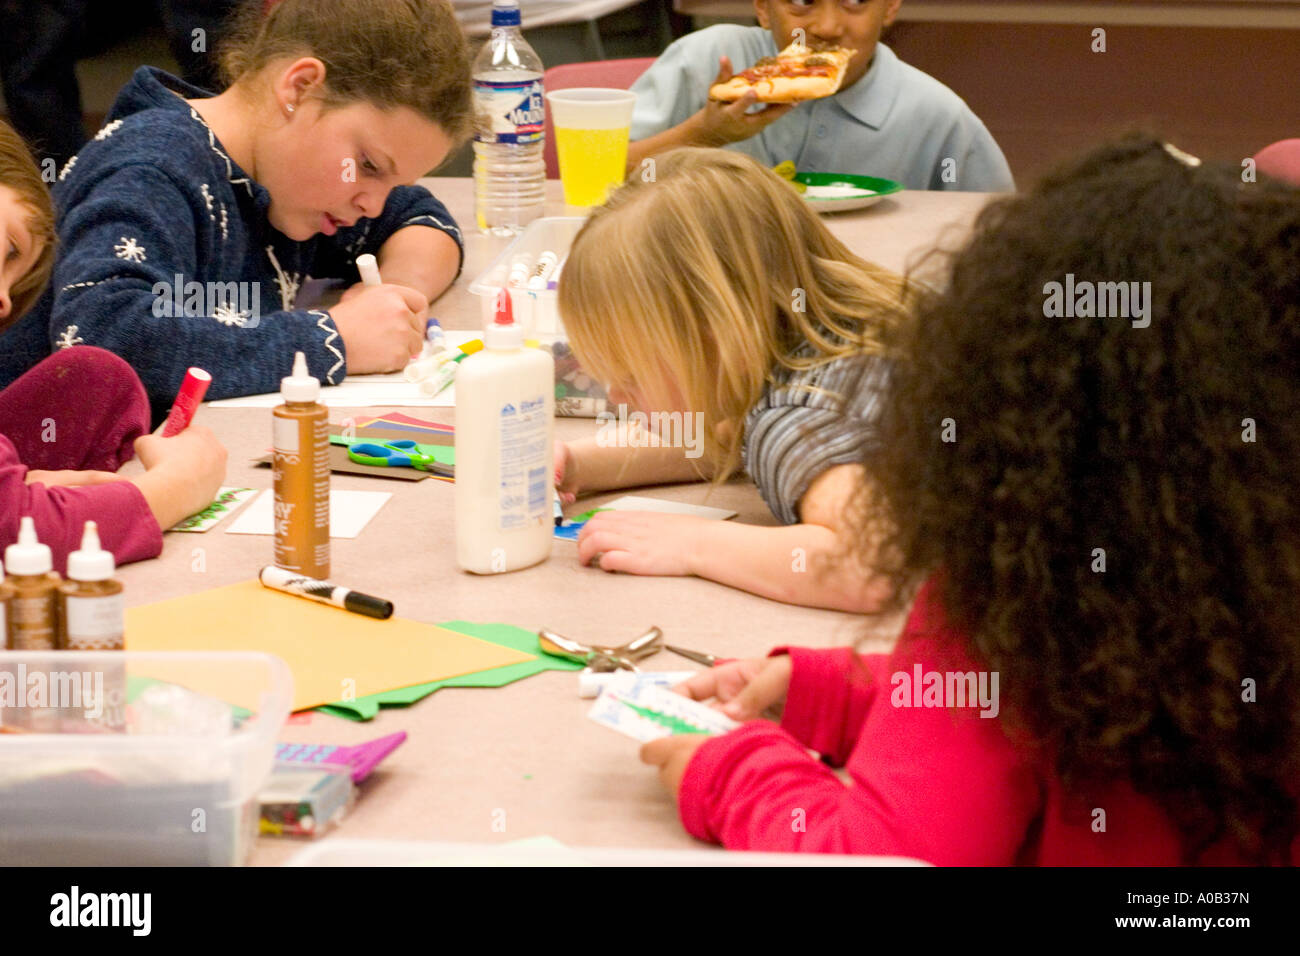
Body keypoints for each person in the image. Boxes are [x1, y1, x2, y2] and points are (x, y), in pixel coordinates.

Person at [641, 135, 1300, 864]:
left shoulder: (1020, 599)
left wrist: (732, 770)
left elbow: (892, 856)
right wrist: (846, 695)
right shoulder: (1255, 578)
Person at [0, 0, 473, 422]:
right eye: (369, 165)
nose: (373, 201)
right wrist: (332, 340)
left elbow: (422, 219)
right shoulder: (151, 169)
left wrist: (392, 301)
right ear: (301, 88)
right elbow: (103, 339)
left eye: (393, 183)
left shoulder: (289, 180)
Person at [556, 148, 910, 612]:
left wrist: (693, 543)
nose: (618, 395)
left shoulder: (796, 414)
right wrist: (581, 465)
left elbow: (869, 564)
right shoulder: (841, 331)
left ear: (721, 337)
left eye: (630, 375)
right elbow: (722, 437)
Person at [0, 119, 226, 570]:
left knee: (94, 382)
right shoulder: (150, 161)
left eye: (13, 274)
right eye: (6, 250)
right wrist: (177, 486)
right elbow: (23, 533)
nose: (3, 300)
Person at [626, 0, 1013, 191]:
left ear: (891, 6)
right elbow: (593, 182)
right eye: (801, 2)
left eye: (856, 1)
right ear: (763, 7)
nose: (827, 27)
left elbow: (997, 246)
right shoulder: (702, 62)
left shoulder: (936, 115)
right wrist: (704, 134)